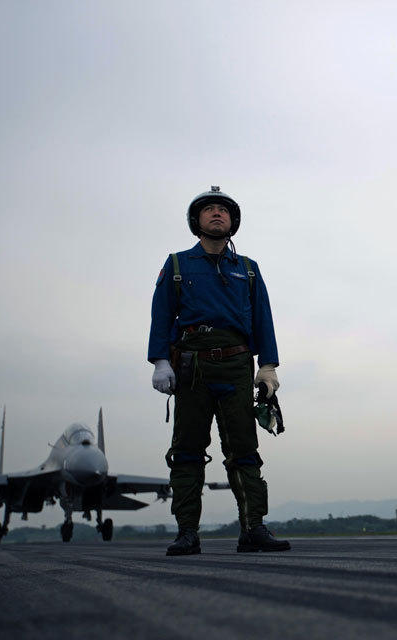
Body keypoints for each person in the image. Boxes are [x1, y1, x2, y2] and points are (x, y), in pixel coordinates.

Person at [149, 185, 292, 555]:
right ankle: (187, 532)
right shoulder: (177, 264)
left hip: (236, 364)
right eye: (209, 209)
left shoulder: (248, 269)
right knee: (187, 450)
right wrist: (160, 360)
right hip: (191, 366)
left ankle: (253, 528)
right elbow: (161, 314)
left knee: (244, 447)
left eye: (223, 210)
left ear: (233, 221)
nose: (217, 213)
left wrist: (268, 366)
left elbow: (263, 318)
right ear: (196, 220)